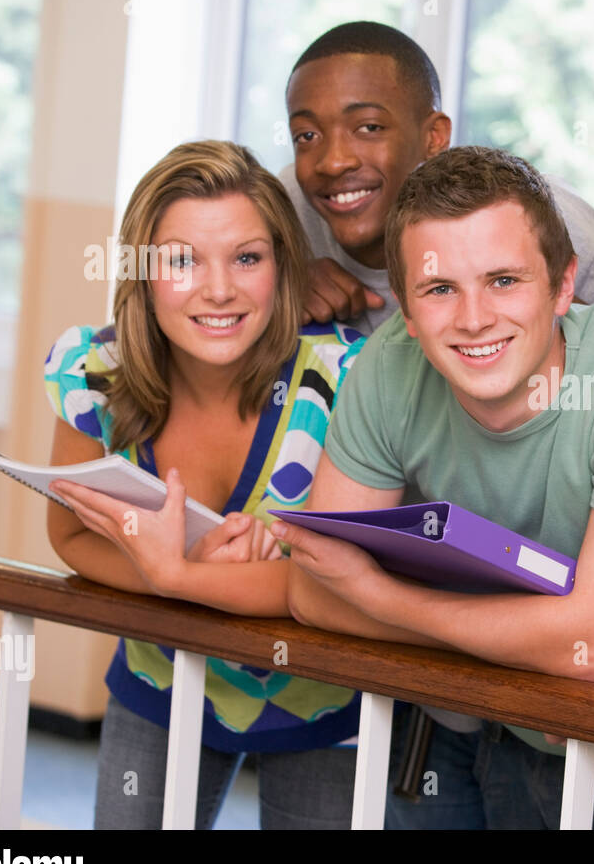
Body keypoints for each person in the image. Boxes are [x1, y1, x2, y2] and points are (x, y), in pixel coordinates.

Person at [275, 145, 594, 829]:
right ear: (403, 303)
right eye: (438, 289)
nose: (474, 318)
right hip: (452, 719)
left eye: (504, 280)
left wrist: (379, 597)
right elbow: (314, 591)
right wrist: (522, 638)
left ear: (564, 284)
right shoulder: (386, 365)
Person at [43, 140, 366, 828]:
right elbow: (68, 531)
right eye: (182, 261)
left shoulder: (346, 381)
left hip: (328, 702)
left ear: (284, 266)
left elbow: (336, 585)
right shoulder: (95, 374)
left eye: (247, 258)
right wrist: (183, 569)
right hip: (158, 685)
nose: (218, 290)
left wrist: (179, 574)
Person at [282, 21, 594, 332]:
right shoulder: (287, 208)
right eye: (306, 136)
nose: (333, 162)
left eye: (369, 127)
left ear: (433, 137)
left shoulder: (542, 211)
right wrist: (282, 286)